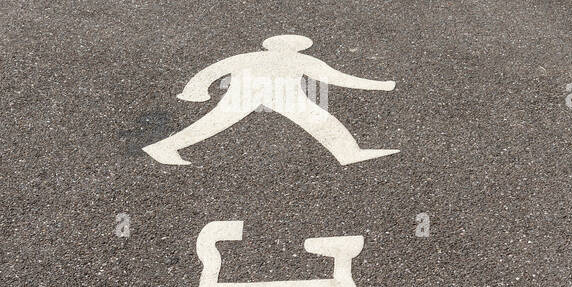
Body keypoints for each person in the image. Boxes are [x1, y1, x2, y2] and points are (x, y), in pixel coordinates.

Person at [143, 34, 398, 167]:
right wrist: (380, 86)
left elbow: (212, 71)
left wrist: (195, 90)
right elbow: (336, 77)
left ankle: (349, 152)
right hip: (257, 94)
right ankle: (163, 147)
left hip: (279, 94)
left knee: (321, 120)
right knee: (214, 123)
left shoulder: (254, 57)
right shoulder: (300, 60)